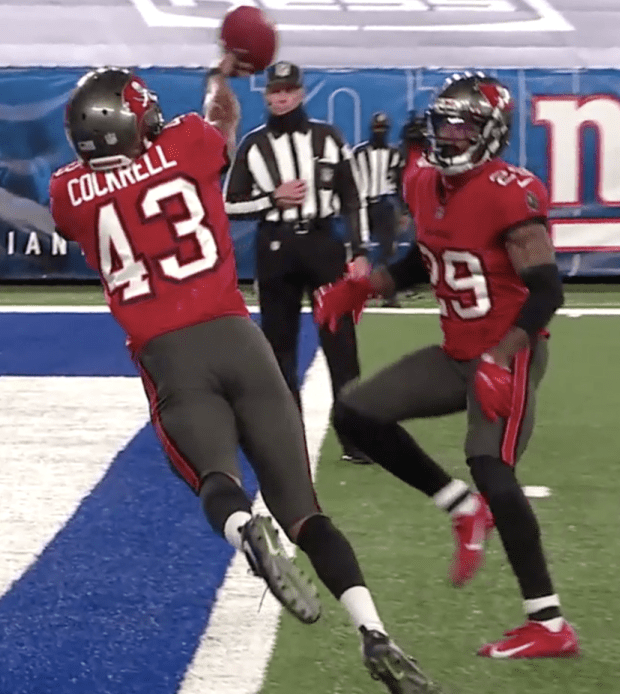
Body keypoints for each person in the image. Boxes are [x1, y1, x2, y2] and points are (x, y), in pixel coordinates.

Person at [48, 55, 443, 694]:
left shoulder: (67, 192)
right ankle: (375, 633)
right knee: (307, 512)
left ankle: (243, 532)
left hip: (170, 356)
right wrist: (220, 77)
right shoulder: (190, 144)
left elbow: (93, 195)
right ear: (131, 120)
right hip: (239, 338)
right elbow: (218, 120)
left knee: (215, 481)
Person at [313, 72, 580, 660]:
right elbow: (424, 259)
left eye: (465, 125)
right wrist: (366, 287)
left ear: (492, 134)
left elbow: (546, 291)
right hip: (459, 350)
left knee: (491, 464)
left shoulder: (511, 191)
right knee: (355, 413)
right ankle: (461, 510)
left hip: (509, 349)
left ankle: (549, 622)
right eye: (444, 123)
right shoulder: (424, 182)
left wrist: (500, 356)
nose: (451, 135)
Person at [223, 60, 372, 465]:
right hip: (277, 248)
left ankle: (356, 439)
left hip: (324, 244)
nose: (282, 97)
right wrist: (272, 199)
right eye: (274, 91)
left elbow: (352, 196)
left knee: (341, 344)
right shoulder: (254, 145)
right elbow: (229, 205)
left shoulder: (328, 137)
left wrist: (359, 251)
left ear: (301, 92)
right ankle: (287, 441)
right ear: (267, 95)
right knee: (279, 350)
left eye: (288, 90)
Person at [352, 111, 404, 307]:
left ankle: (388, 294)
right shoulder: (359, 153)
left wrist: (403, 210)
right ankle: (357, 293)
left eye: (383, 129)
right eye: (377, 129)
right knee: (359, 249)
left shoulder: (394, 154)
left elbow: (399, 183)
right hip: (363, 204)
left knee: (389, 250)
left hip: (385, 203)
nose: (380, 132)